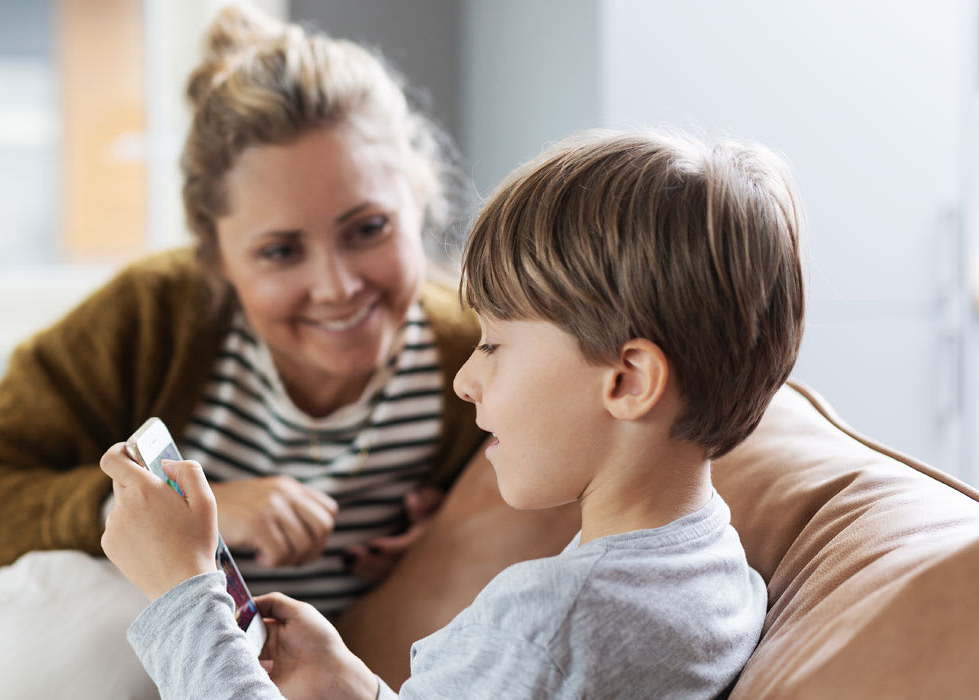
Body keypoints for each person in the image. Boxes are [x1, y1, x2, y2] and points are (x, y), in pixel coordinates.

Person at [0, 6, 577, 700]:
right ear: (217, 258)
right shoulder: (155, 318)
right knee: (121, 622)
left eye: (368, 229)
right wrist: (156, 518)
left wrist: (430, 538)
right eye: (280, 252)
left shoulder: (471, 355)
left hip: (216, 681)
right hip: (3, 635)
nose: (337, 286)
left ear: (418, 201)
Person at [100, 128, 807, 698]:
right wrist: (355, 688)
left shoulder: (552, 625)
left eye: (494, 344)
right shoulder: (707, 562)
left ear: (628, 381)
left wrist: (184, 592)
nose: (466, 381)